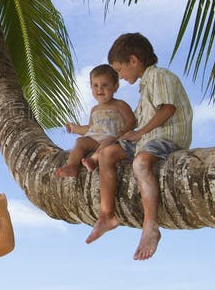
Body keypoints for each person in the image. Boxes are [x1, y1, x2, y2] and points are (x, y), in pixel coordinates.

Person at [85, 33, 192, 261]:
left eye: (119, 70)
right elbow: (137, 121)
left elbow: (167, 110)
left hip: (166, 137)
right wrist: (120, 135)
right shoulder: (145, 85)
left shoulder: (160, 76)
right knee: (107, 154)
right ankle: (107, 215)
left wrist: (139, 133)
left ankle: (151, 226)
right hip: (146, 139)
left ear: (133, 60)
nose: (120, 76)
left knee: (141, 163)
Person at [56, 64, 136, 178]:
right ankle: (72, 166)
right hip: (95, 139)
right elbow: (90, 129)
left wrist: (121, 133)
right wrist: (74, 129)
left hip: (113, 139)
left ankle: (94, 160)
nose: (100, 89)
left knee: (107, 141)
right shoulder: (94, 110)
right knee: (80, 141)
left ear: (115, 87)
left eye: (105, 85)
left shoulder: (120, 105)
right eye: (95, 85)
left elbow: (131, 121)